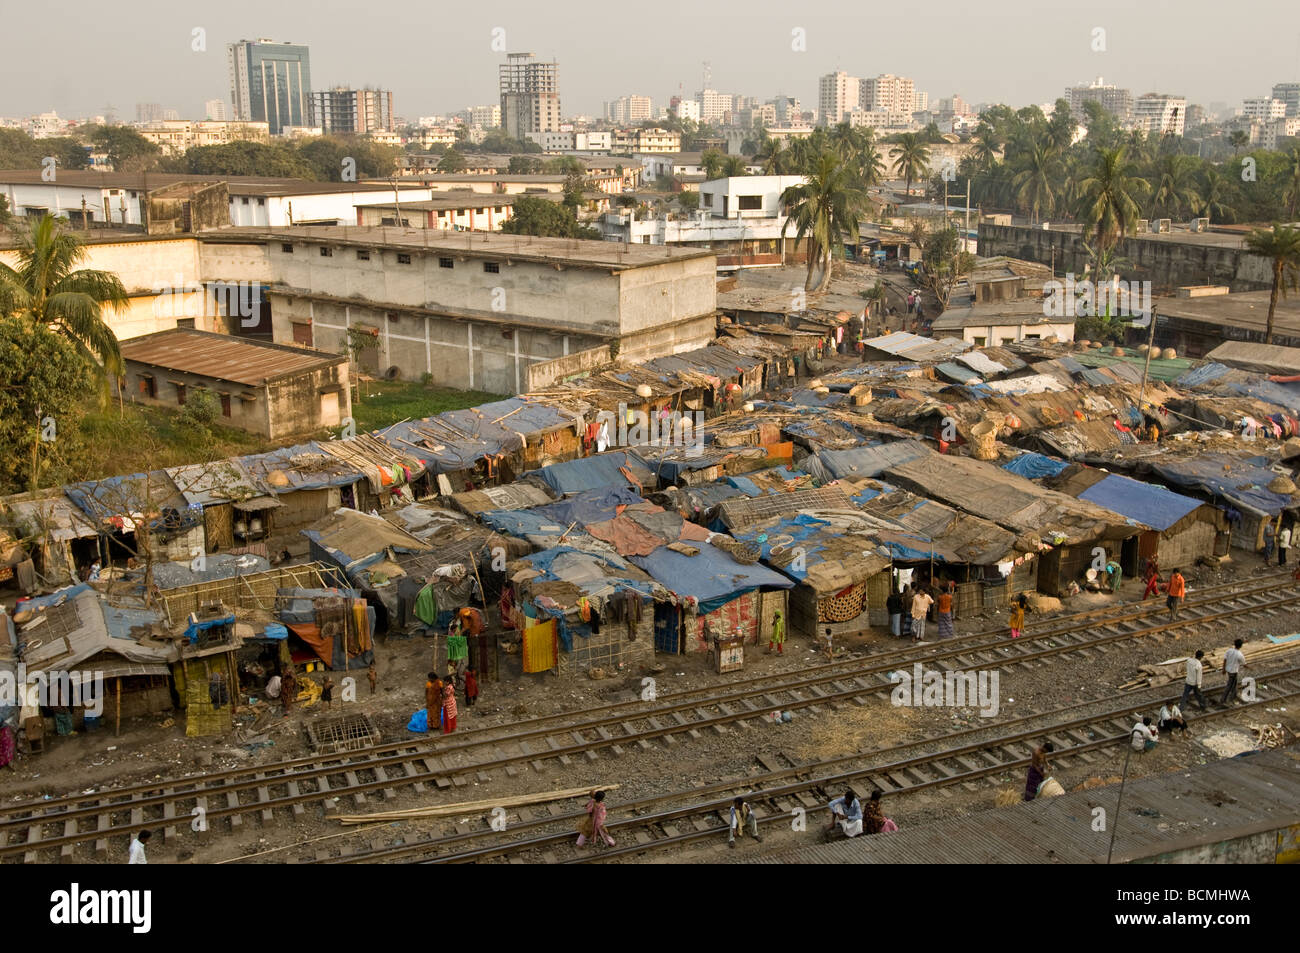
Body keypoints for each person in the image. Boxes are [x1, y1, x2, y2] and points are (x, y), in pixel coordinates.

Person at [1221, 638, 1246, 706]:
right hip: (1234, 672)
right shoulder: (1240, 654)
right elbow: (1244, 664)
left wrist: (1223, 669)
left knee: (1234, 684)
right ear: (1241, 646)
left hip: (1228, 670)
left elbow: (1225, 660)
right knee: (1230, 686)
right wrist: (1251, 668)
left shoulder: (1229, 650)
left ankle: (1233, 696)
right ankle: (1223, 699)